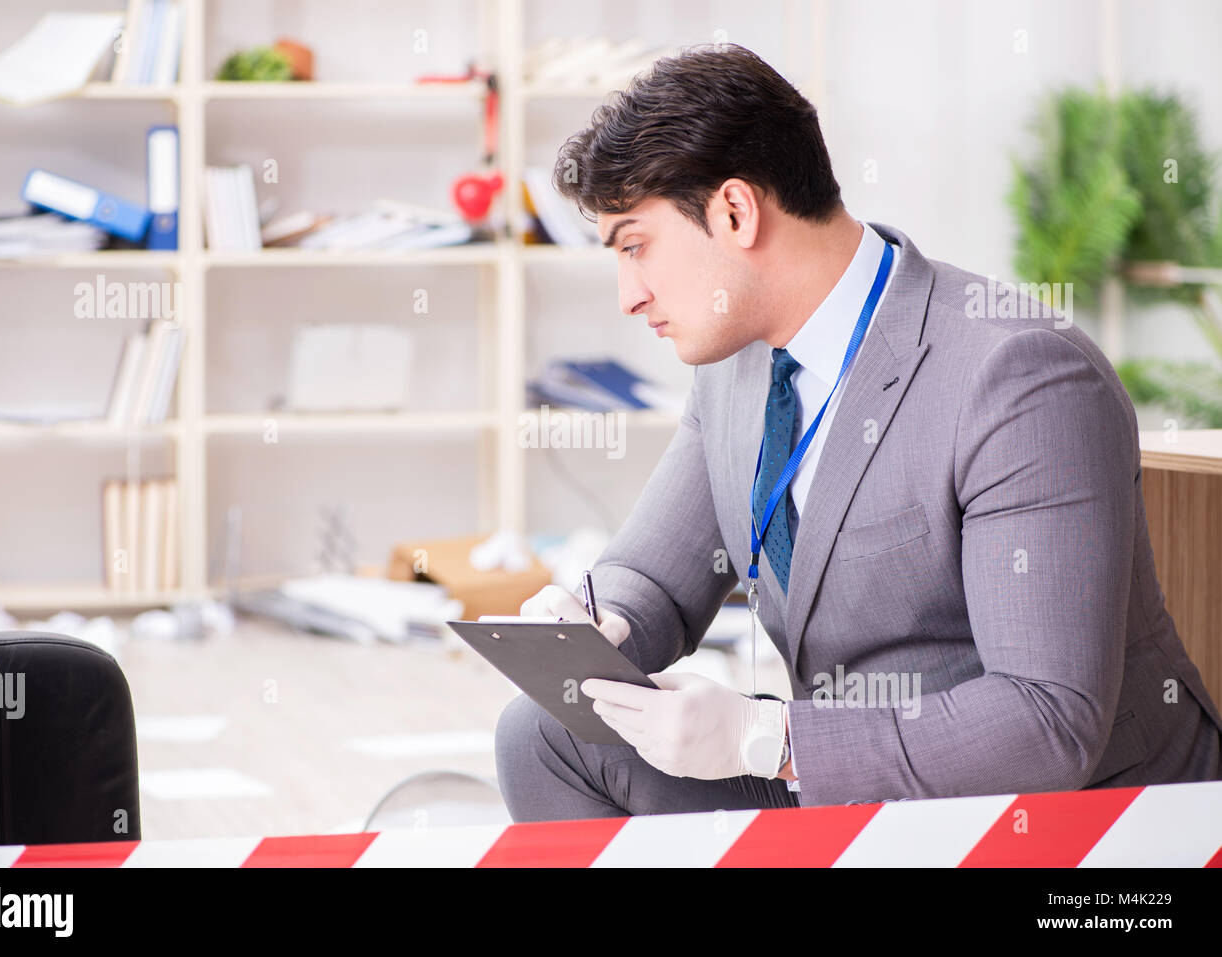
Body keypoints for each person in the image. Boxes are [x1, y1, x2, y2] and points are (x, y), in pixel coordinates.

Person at [494, 42, 1222, 822]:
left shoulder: (1019, 374)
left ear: (735, 212)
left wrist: (771, 739)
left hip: (1063, 812)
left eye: (635, 246)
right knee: (543, 735)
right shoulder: (736, 369)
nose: (628, 296)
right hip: (865, 796)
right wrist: (597, 623)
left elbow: (1048, 718)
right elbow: (657, 578)